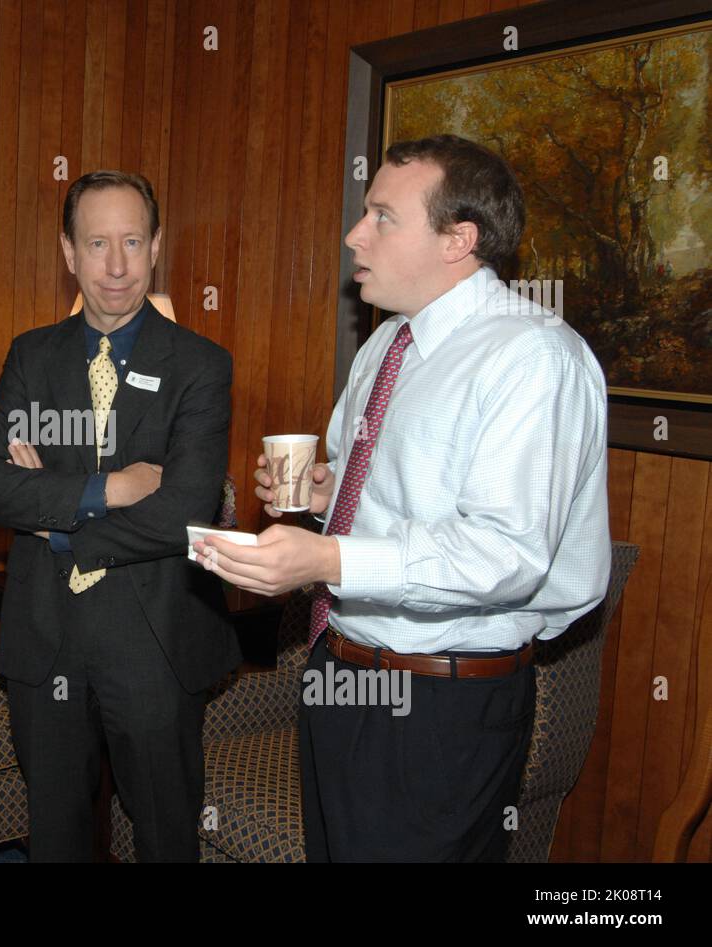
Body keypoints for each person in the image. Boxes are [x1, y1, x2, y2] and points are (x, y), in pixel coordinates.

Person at [194, 135, 611, 861]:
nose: (355, 233)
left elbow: (505, 554)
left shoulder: (533, 358)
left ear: (459, 239)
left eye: (382, 216)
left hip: (440, 704)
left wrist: (327, 554)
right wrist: (325, 497)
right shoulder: (385, 345)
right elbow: (387, 502)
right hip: (340, 668)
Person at [0, 170, 239, 862]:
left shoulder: (201, 366)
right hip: (45, 633)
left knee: (164, 835)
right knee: (55, 838)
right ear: (68, 251)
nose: (116, 266)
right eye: (96, 243)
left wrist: (56, 517)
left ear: (155, 246)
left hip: (152, 636)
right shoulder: (32, 356)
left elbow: (186, 512)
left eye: (131, 241)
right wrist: (111, 488)